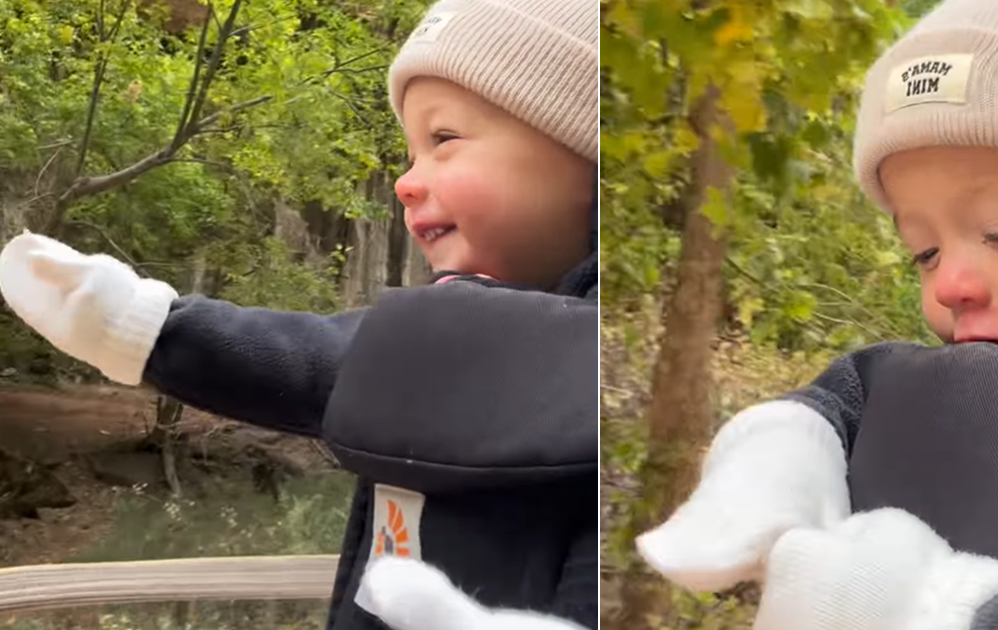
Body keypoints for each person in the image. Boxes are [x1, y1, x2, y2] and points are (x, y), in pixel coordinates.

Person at [0, 0, 598, 628]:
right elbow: (317, 360)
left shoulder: (597, 362)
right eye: (410, 152)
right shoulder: (447, 334)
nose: (404, 181)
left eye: (443, 139)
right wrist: (141, 326)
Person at [635, 0, 998, 628]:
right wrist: (781, 444)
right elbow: (851, 402)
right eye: (924, 252)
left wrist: (937, 610)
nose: (949, 285)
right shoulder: (958, 377)